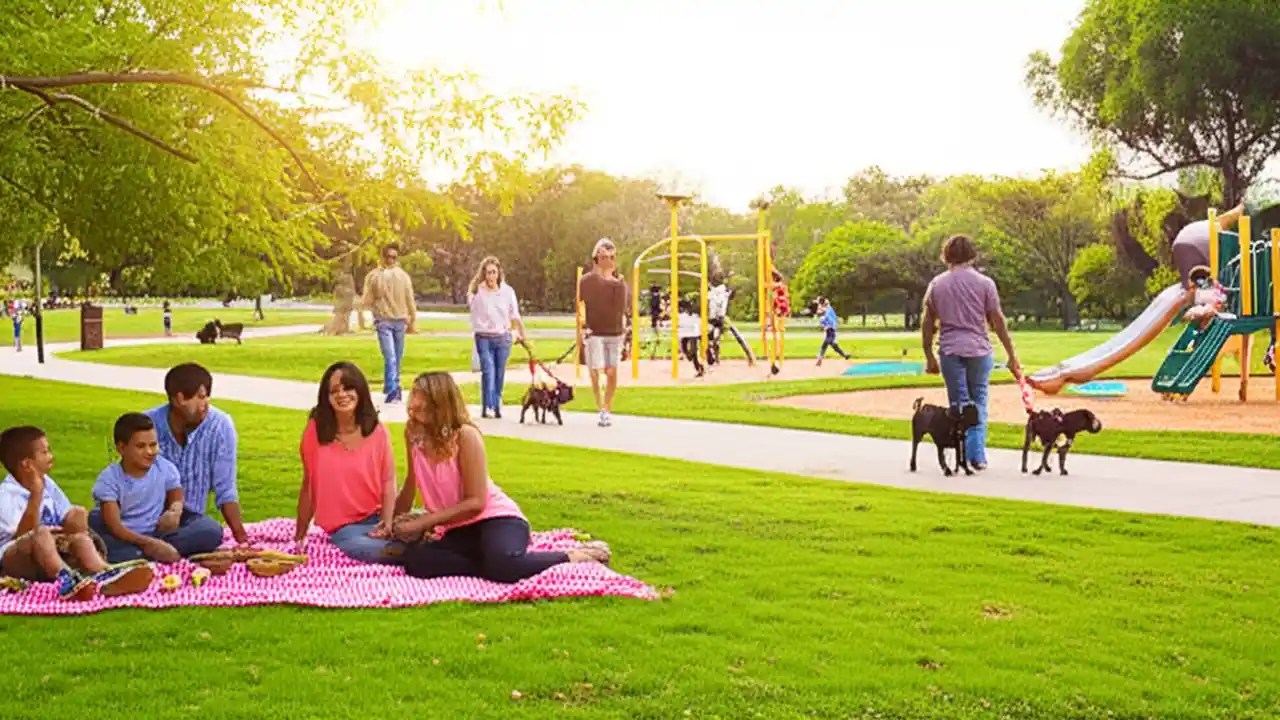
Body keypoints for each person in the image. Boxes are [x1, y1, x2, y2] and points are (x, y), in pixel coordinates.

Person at [393, 372, 610, 582]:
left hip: (496, 519)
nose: (416, 408)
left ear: (441, 404)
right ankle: (491, 565)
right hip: (458, 528)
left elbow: (476, 503)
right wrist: (390, 523)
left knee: (505, 564)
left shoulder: (465, 436)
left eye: (423, 403)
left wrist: (424, 522)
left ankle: (572, 557)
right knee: (417, 561)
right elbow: (411, 483)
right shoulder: (413, 434)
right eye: (414, 401)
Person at [0, 426, 154, 600]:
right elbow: (21, 537)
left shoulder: (47, 484)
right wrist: (36, 495)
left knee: (79, 531)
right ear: (26, 464)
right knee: (41, 533)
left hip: (50, 553)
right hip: (15, 561)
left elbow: (65, 517)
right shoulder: (7, 495)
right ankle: (65, 579)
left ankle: (105, 573)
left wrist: (75, 520)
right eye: (45, 452)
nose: (51, 456)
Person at [921, 235, 1021, 472]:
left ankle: (960, 455)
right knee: (979, 402)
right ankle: (977, 456)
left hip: (950, 349)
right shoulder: (985, 283)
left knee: (958, 405)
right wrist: (1011, 354)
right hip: (979, 349)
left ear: (946, 255)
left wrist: (929, 355)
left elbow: (928, 322)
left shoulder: (937, 284)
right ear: (972, 255)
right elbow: (997, 320)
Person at [293, 362, 402, 563]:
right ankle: (408, 553)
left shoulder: (377, 431)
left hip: (377, 517)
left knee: (416, 522)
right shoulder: (315, 432)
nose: (342, 394)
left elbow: (388, 481)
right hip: (345, 530)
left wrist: (386, 523)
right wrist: (300, 535)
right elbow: (309, 484)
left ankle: (412, 547)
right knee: (353, 546)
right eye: (334, 391)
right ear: (326, 398)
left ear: (360, 390)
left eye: (348, 387)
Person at [89, 413, 225, 563]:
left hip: (161, 531)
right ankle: (150, 553)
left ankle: (153, 553)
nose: (150, 452)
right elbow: (115, 528)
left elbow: (176, 494)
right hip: (125, 537)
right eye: (141, 446)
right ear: (121, 448)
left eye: (153, 445)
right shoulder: (109, 480)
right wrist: (150, 544)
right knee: (108, 544)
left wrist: (174, 511)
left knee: (211, 531)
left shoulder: (165, 468)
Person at [144, 363, 250, 546]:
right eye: (200, 397)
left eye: (207, 396)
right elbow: (127, 479)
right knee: (99, 519)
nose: (206, 404)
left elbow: (225, 490)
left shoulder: (220, 426)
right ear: (179, 399)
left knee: (211, 532)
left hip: (189, 521)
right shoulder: (146, 425)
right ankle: (149, 544)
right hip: (144, 513)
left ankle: (149, 547)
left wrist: (242, 540)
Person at [577, 238, 629, 427]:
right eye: (603, 257)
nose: (607, 260)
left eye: (610, 257)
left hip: (613, 332)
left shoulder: (619, 283)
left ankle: (607, 407)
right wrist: (582, 327)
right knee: (595, 369)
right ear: (596, 259)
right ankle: (601, 408)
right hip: (594, 332)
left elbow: (620, 308)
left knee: (612, 371)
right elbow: (580, 305)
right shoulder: (587, 281)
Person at [467, 256, 527, 419]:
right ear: (483, 274)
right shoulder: (477, 291)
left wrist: (522, 334)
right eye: (487, 273)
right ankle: (488, 405)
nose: (491, 277)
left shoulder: (507, 292)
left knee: (499, 372)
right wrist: (477, 291)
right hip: (484, 337)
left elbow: (514, 315)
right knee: (488, 370)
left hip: (502, 338)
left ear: (499, 273)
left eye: (493, 272)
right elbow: (473, 312)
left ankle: (496, 401)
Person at [360, 244, 418, 404]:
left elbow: (410, 298)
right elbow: (367, 299)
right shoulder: (374, 276)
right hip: (383, 320)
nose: (391, 260)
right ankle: (394, 389)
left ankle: (389, 384)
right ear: (382, 257)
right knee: (390, 356)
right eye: (388, 257)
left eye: (394, 257)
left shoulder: (403, 277)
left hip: (400, 320)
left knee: (396, 357)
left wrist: (413, 320)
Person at [815, 296, 851, 366]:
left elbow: (822, 308)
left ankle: (820, 357)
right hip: (831, 331)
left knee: (829, 345)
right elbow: (825, 306)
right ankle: (844, 355)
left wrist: (819, 302)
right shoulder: (827, 311)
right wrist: (820, 302)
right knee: (830, 345)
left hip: (830, 331)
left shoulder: (824, 313)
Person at [675, 298, 705, 377]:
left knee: (693, 352)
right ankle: (691, 358)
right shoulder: (682, 314)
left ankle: (699, 368)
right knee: (684, 346)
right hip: (687, 333)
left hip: (694, 334)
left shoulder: (693, 314)